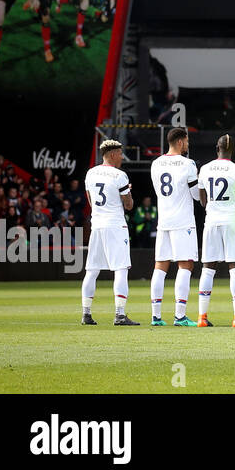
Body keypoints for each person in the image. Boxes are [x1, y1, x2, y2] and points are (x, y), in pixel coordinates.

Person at [195, 134, 235, 327]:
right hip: (233, 221)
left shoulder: (204, 169)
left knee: (208, 268)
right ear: (233, 150)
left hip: (212, 221)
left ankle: (202, 317)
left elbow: (203, 201)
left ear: (216, 148)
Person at [80, 140, 139, 325]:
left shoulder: (90, 173)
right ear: (112, 154)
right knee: (121, 269)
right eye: (120, 153)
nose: (122, 157)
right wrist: (128, 193)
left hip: (97, 224)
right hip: (115, 225)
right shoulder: (119, 175)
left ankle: (86, 314)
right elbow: (129, 205)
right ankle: (120, 314)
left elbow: (90, 200)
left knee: (91, 270)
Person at [149, 127, 200, 326]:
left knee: (160, 266)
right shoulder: (188, 164)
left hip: (164, 221)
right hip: (183, 221)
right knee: (186, 264)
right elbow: (196, 195)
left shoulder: (155, 163)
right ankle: (180, 315)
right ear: (180, 141)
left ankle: (156, 316)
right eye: (186, 141)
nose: (187, 145)